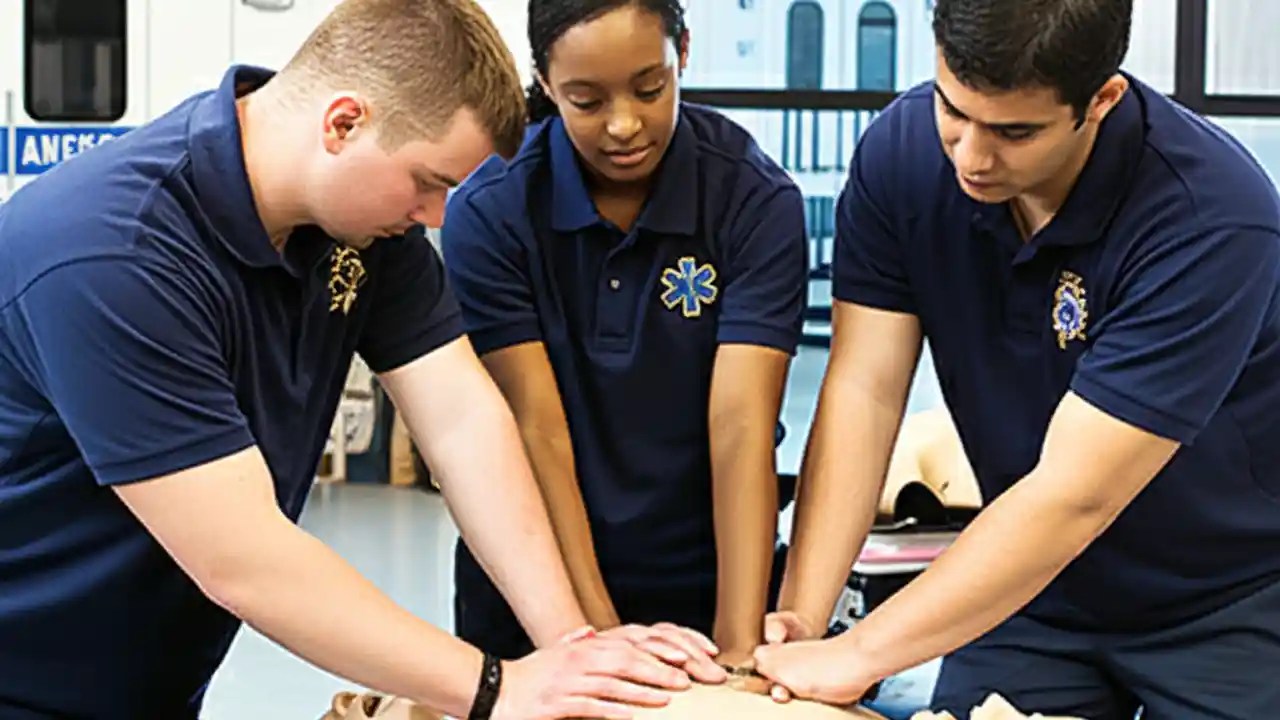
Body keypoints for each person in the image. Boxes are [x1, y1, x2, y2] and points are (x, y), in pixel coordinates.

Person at [0, 1, 720, 718]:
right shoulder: (113, 257)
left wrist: (572, 648)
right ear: (344, 123)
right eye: (430, 182)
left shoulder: (361, 231)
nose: (437, 216)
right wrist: (498, 688)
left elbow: (462, 421)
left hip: (138, 683)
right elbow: (243, 558)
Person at [752, 0, 1280, 719]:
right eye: (953, 109)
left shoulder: (1210, 217)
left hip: (1222, 598)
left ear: (1101, 99)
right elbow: (864, 391)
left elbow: (1074, 495)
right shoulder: (905, 156)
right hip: (1027, 590)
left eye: (1014, 132)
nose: (970, 157)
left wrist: (860, 654)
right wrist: (803, 623)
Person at [440, 0, 809, 674]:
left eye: (650, 88)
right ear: (546, 82)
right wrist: (598, 644)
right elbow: (538, 434)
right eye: (586, 101)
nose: (623, 125)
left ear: (683, 52)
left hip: (708, 585)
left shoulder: (752, 200)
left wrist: (737, 652)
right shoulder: (492, 209)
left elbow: (741, 428)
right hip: (537, 595)